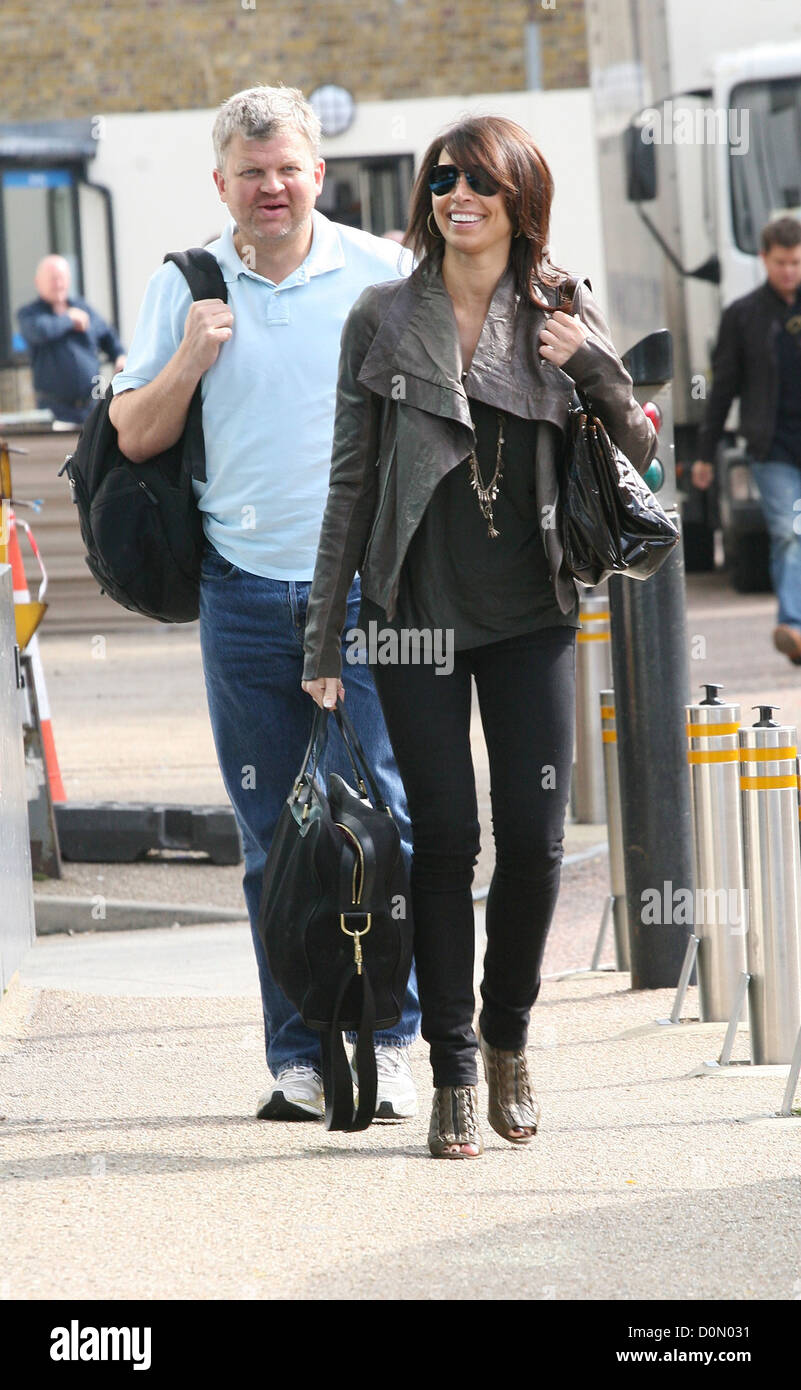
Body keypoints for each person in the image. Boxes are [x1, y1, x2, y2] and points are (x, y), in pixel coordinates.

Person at [302, 115, 656, 1159]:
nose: (459, 194)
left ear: (519, 200)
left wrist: (591, 365)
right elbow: (350, 483)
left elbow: (637, 447)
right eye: (443, 178)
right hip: (412, 615)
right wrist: (326, 637)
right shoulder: (379, 317)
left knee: (537, 846)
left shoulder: (560, 306)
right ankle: (454, 1061)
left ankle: (508, 1035)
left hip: (533, 610)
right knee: (444, 839)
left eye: (481, 182)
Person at [108, 85, 421, 1122]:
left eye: (287, 168)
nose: (271, 188)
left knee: (386, 818)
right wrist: (195, 355)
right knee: (273, 837)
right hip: (241, 594)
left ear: (317, 172)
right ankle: (299, 1055)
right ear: (222, 184)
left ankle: (394, 1036)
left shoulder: (380, 272)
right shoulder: (184, 282)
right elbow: (136, 436)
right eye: (251, 174)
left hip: (372, 595)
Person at [692, 216, 801, 664]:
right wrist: (704, 454)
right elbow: (723, 391)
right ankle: (792, 624)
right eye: (780, 263)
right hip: (771, 446)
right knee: (789, 532)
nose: (789, 271)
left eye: (796, 262)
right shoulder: (743, 316)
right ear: (764, 259)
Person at [18, 255, 126, 426]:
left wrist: (119, 355)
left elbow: (107, 335)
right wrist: (69, 320)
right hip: (55, 411)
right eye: (53, 279)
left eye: (62, 278)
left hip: (91, 407)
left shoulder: (82, 308)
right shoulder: (30, 314)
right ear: (38, 282)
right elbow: (40, 331)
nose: (58, 284)